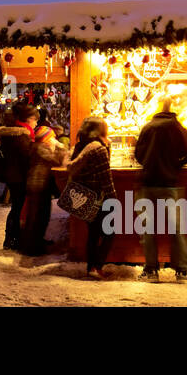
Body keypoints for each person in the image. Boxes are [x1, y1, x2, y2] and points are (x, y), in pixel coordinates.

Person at [134, 94, 187, 282]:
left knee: (148, 229)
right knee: (177, 229)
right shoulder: (179, 128)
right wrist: (173, 167)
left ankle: (151, 270)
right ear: (171, 109)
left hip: (148, 183)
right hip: (171, 185)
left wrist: (150, 165)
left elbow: (138, 154)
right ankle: (183, 271)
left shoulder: (147, 127)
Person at [66, 116, 117, 278]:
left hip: (83, 195)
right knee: (109, 232)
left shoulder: (80, 146)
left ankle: (91, 268)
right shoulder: (99, 149)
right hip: (98, 196)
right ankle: (97, 266)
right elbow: (105, 177)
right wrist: (113, 198)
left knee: (93, 233)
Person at [20, 107, 67, 256]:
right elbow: (57, 160)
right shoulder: (41, 149)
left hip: (40, 186)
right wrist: (61, 148)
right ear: (46, 139)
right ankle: (32, 246)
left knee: (42, 215)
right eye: (51, 138)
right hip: (37, 186)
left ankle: (37, 241)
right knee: (37, 217)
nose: (53, 140)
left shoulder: (39, 147)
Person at [0, 106, 34, 251]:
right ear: (28, 120)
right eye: (34, 120)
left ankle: (11, 238)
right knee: (17, 207)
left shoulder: (10, 135)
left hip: (12, 175)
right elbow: (25, 158)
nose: (35, 124)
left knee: (16, 207)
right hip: (18, 176)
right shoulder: (21, 136)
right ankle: (12, 239)